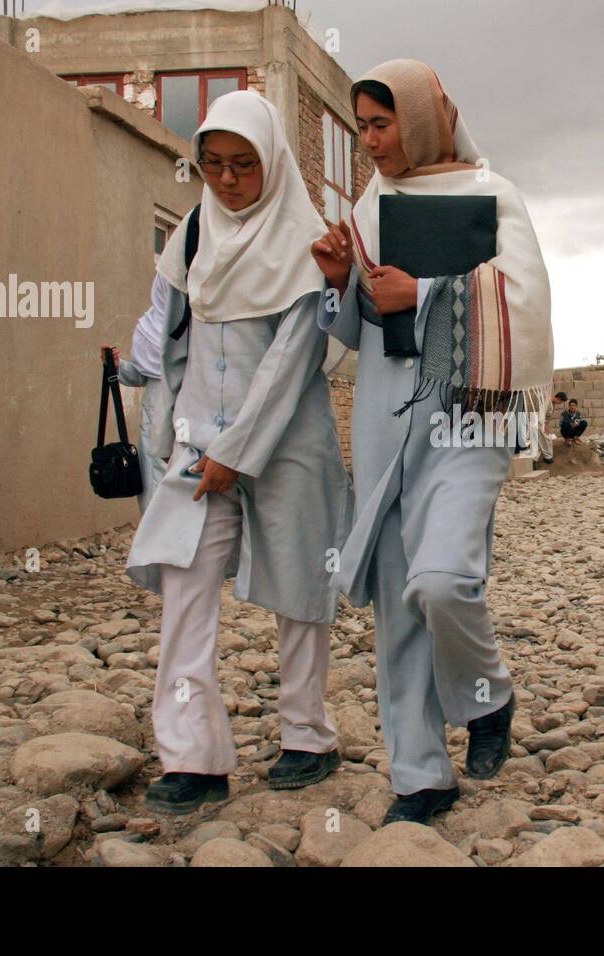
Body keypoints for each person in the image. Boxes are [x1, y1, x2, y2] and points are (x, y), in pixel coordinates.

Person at [310, 59, 552, 825]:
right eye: (361, 128)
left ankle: (488, 696)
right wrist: (335, 281)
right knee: (396, 601)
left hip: (469, 415)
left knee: (443, 580)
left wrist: (425, 292)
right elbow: (349, 335)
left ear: (418, 119)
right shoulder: (369, 204)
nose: (370, 142)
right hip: (385, 419)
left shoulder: (491, 192)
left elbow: (525, 299)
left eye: (381, 124)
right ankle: (420, 777)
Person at [120, 92, 351, 814]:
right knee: (185, 593)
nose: (226, 180)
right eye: (212, 165)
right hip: (198, 444)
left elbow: (293, 359)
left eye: (243, 165)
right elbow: (168, 336)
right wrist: (170, 433)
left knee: (298, 592)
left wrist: (236, 451)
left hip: (285, 443)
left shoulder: (304, 239)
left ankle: (307, 736)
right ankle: (193, 758)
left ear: (272, 163)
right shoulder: (192, 234)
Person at [100, 276, 168, 513]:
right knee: (154, 487)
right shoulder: (153, 324)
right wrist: (117, 366)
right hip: (156, 414)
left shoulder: (201, 325)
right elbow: (141, 375)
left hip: (192, 414)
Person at [533, 390, 564, 465]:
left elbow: (548, 418)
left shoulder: (552, 404)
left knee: (541, 443)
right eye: (561, 402)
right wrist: (544, 426)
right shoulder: (547, 402)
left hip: (541, 423)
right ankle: (548, 457)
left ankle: (536, 460)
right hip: (538, 422)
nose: (560, 404)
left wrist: (547, 426)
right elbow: (542, 415)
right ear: (558, 398)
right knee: (546, 439)